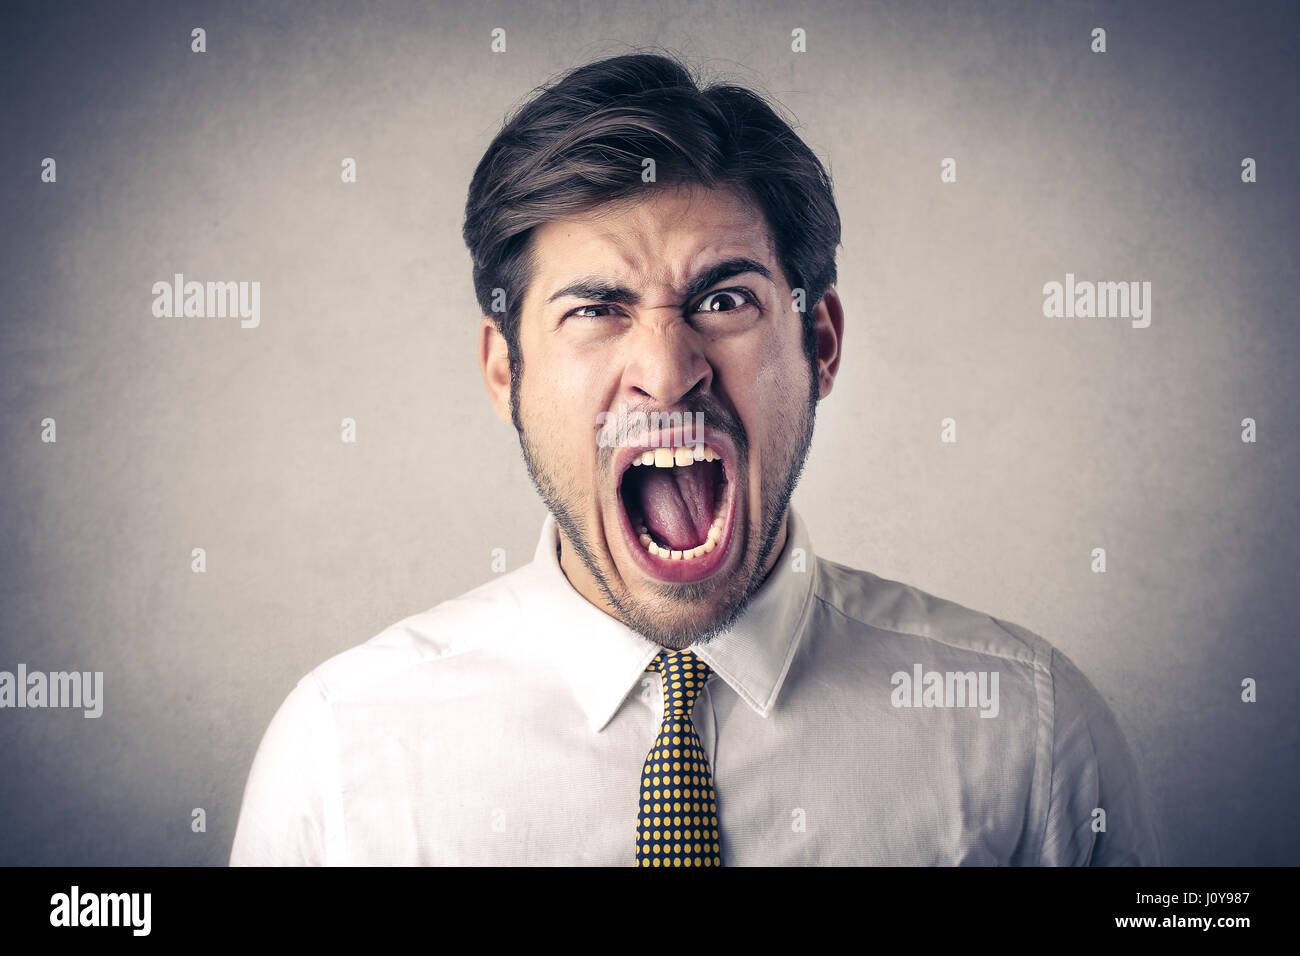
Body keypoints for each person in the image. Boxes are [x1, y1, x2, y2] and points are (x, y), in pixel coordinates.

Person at [230, 51, 1161, 866]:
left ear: (821, 345)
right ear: (505, 371)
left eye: (724, 300)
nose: (668, 375)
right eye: (596, 310)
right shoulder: (340, 751)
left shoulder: (1029, 735)